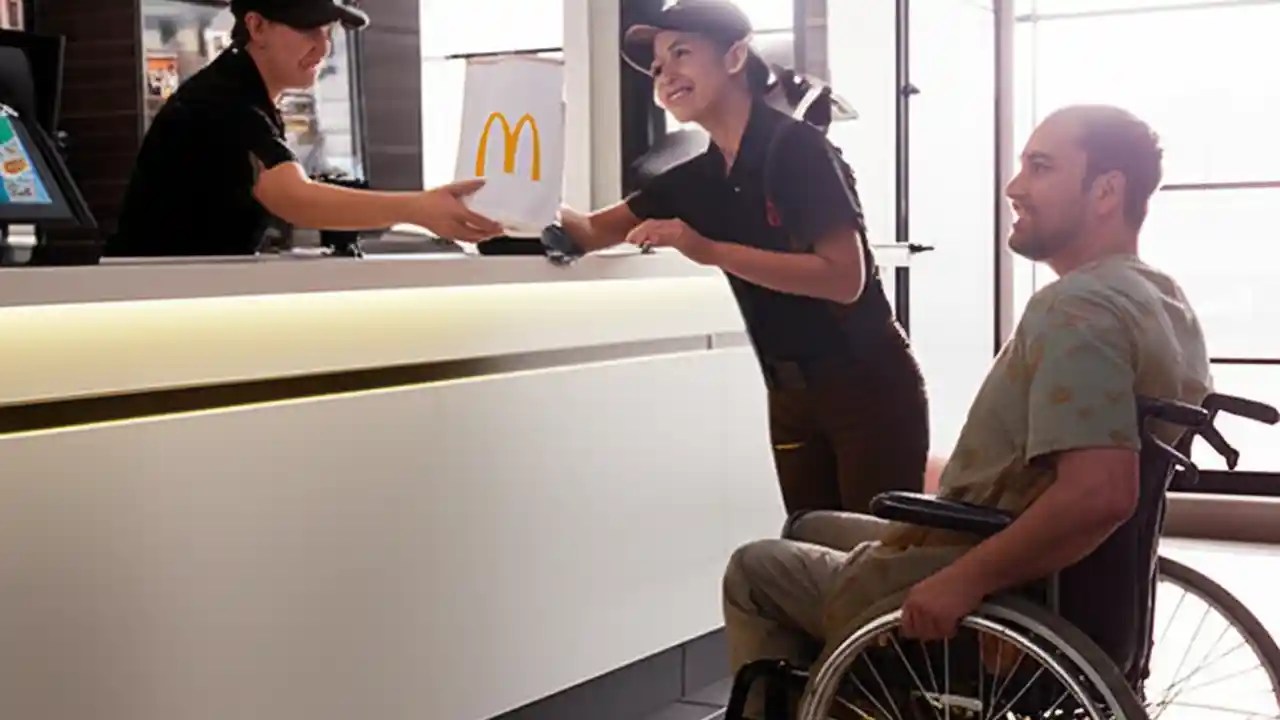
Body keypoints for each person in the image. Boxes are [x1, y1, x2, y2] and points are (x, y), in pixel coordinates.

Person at [720, 104, 1212, 717]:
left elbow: (1100, 493)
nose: (1014, 186)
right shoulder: (1160, 296)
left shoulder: (1078, 310)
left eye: (1041, 167)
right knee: (809, 526)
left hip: (1002, 582)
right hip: (1071, 576)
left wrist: (964, 582)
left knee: (755, 570)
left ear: (1106, 191)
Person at [558, 0, 930, 516]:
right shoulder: (697, 179)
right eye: (658, 67)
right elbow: (590, 230)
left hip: (867, 385)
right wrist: (506, 202)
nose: (665, 75)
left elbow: (844, 278)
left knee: (871, 554)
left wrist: (708, 250)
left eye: (681, 53)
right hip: (788, 395)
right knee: (809, 548)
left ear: (735, 57)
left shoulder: (797, 149)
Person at [107, 0, 501, 257]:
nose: (324, 47)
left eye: (328, 32)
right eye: (309, 30)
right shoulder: (223, 100)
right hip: (148, 302)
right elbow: (292, 196)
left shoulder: (245, 92)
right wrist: (416, 208)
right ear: (257, 26)